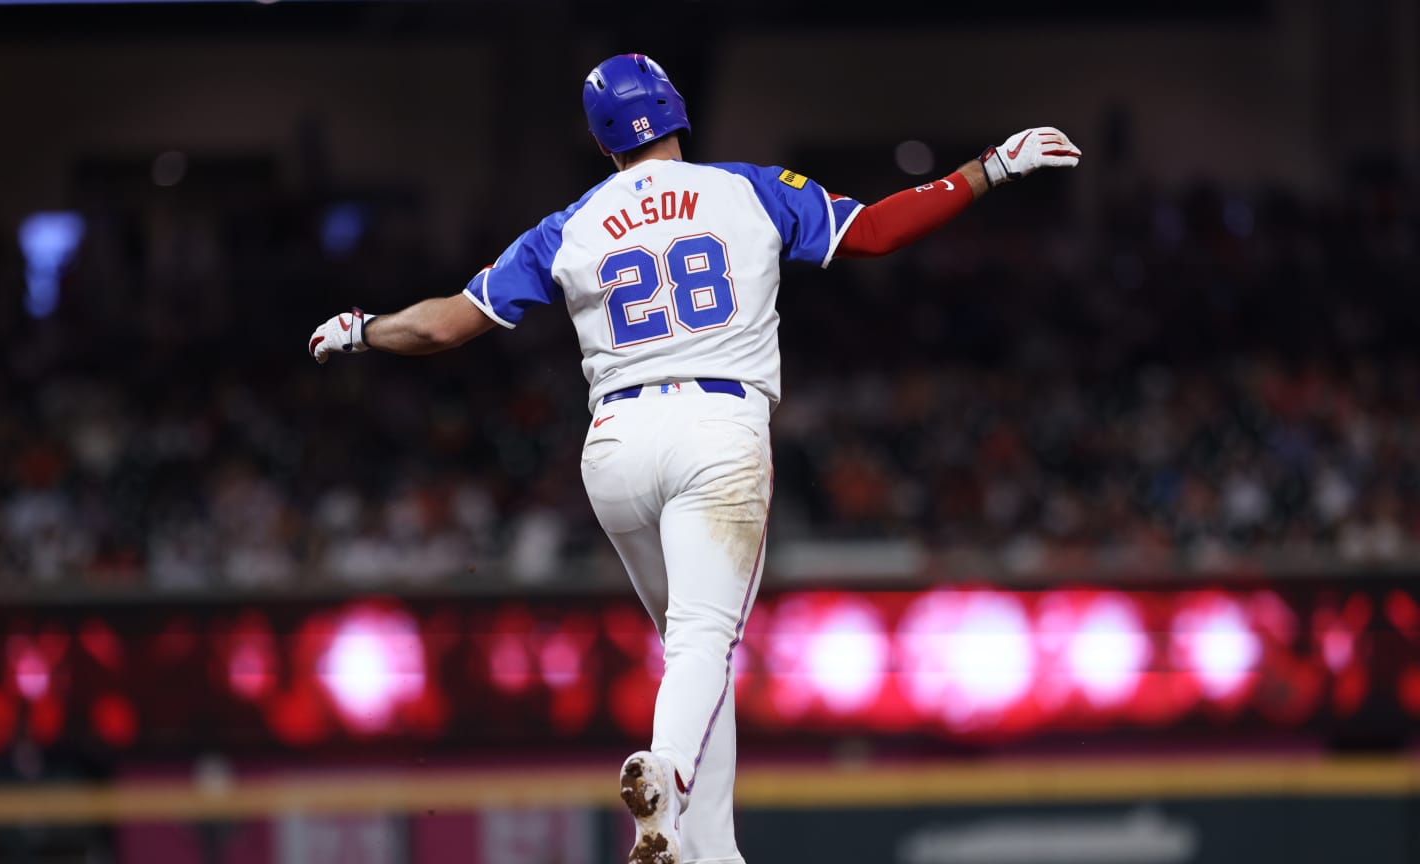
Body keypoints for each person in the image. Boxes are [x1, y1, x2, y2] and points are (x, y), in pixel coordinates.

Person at [308, 52, 1081, 864]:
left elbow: (445, 325)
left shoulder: (571, 223)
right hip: (718, 427)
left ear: (604, 141)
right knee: (703, 644)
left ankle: (710, 851)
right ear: (676, 110)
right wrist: (990, 168)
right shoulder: (744, 188)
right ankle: (667, 774)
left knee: (692, 653)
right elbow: (879, 231)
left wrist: (365, 328)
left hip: (614, 445)